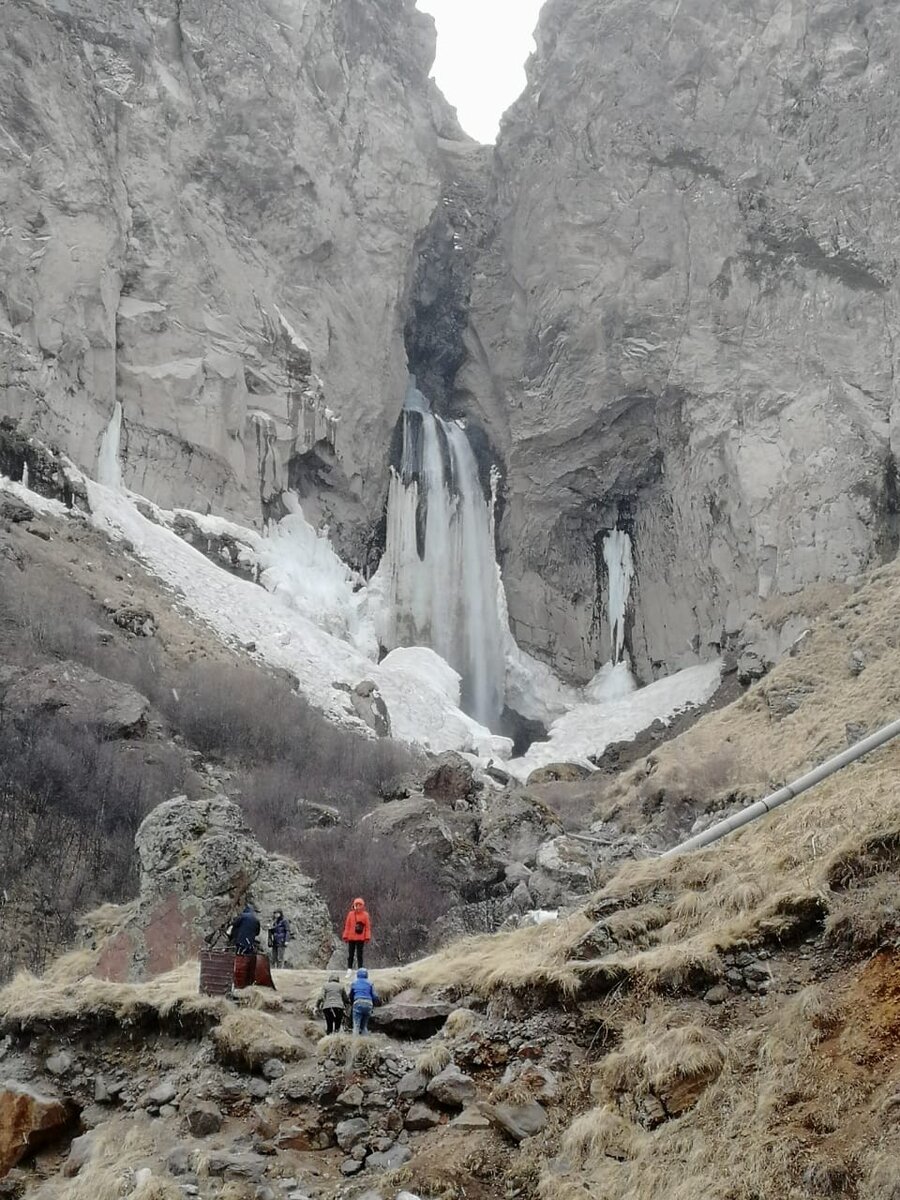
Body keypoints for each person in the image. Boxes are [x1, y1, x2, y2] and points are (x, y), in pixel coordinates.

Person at [341, 897, 371, 969]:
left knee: (359, 955)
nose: (358, 907)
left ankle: (360, 968)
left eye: (360, 905)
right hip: (351, 937)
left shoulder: (365, 915)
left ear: (362, 906)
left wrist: (367, 937)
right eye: (357, 905)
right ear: (354, 905)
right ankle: (349, 968)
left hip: (360, 938)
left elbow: (367, 927)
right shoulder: (350, 914)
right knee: (350, 954)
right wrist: (345, 936)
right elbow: (347, 926)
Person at [349, 967, 378, 1036]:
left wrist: (351, 1002)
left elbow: (350, 995)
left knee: (356, 1025)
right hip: (368, 1003)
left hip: (358, 1002)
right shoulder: (370, 983)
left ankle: (355, 1043)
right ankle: (365, 1041)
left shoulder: (354, 983)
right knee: (364, 1026)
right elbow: (375, 996)